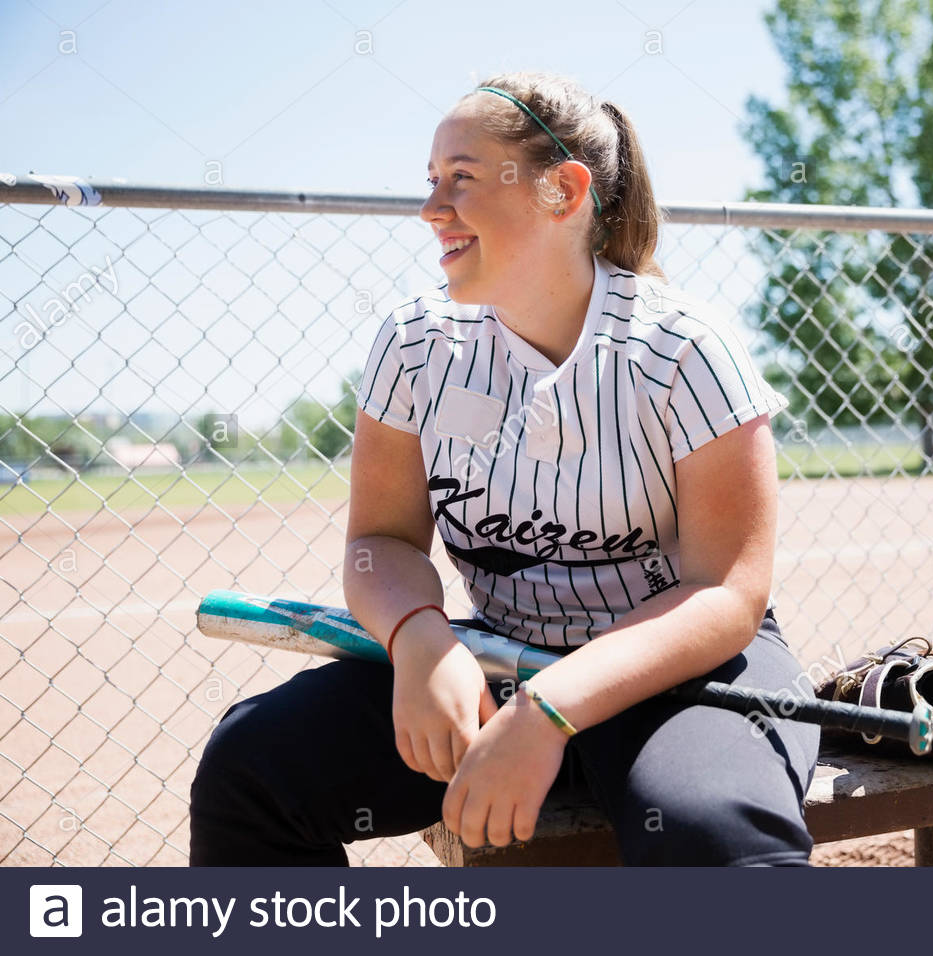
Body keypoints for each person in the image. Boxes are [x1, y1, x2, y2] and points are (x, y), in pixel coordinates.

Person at [189, 71, 820, 866]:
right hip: (499, 656)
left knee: (711, 833)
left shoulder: (683, 347)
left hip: (675, 670)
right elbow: (379, 542)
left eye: (463, 179)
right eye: (430, 181)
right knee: (250, 768)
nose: (430, 209)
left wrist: (548, 711)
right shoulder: (416, 342)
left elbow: (727, 591)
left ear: (562, 190)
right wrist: (420, 640)